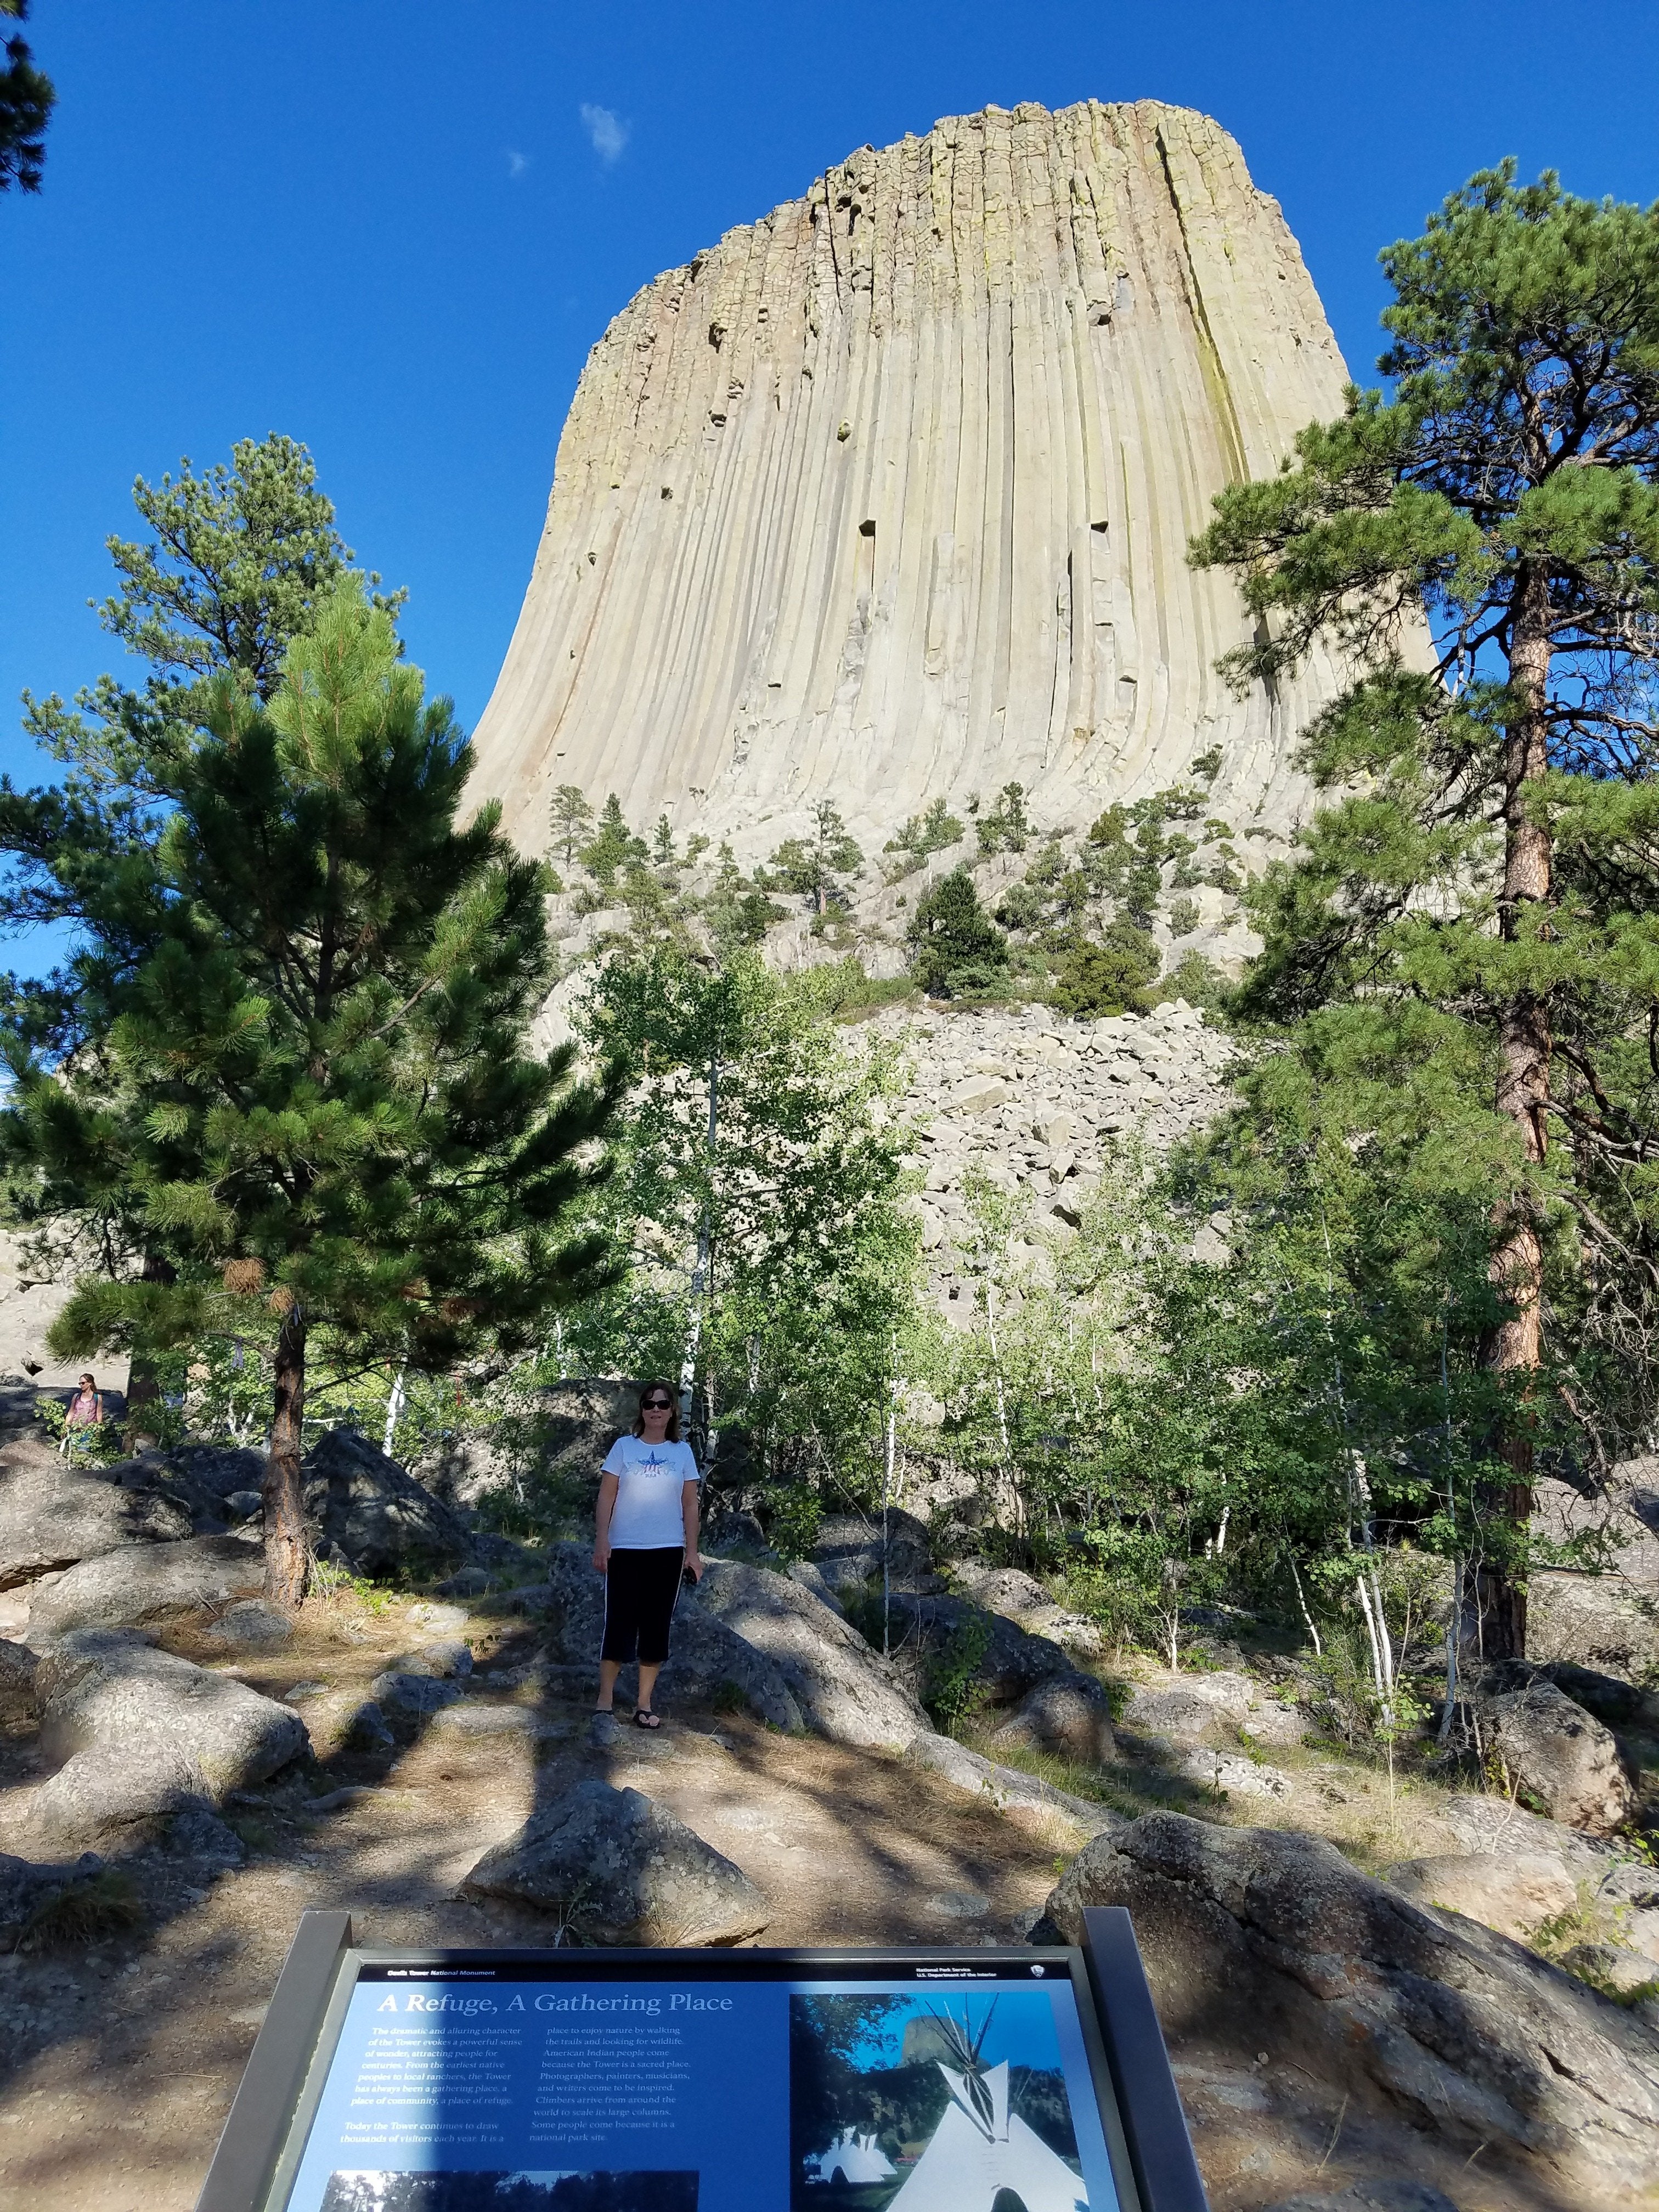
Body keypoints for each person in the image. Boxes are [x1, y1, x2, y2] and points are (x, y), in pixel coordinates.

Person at [593, 1380, 703, 1728]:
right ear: (641, 1410)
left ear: (673, 1411)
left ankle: (644, 1705)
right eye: (649, 1404)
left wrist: (693, 1553)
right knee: (620, 1622)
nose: (656, 1409)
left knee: (657, 1626)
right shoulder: (624, 1448)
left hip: (668, 1551)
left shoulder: (682, 1453)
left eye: (663, 1404)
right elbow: (607, 1496)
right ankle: (605, 1701)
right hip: (625, 1549)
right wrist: (602, 1540)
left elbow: (690, 1505)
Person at [62, 1373, 104, 1458]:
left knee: (83, 1451)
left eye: (83, 1383)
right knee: (72, 1451)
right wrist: (66, 1426)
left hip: (88, 1430)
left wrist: (98, 1429)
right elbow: (71, 1412)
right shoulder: (76, 1396)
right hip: (75, 1428)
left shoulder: (97, 1397)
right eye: (80, 1383)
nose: (81, 1385)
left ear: (90, 1383)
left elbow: (99, 1413)